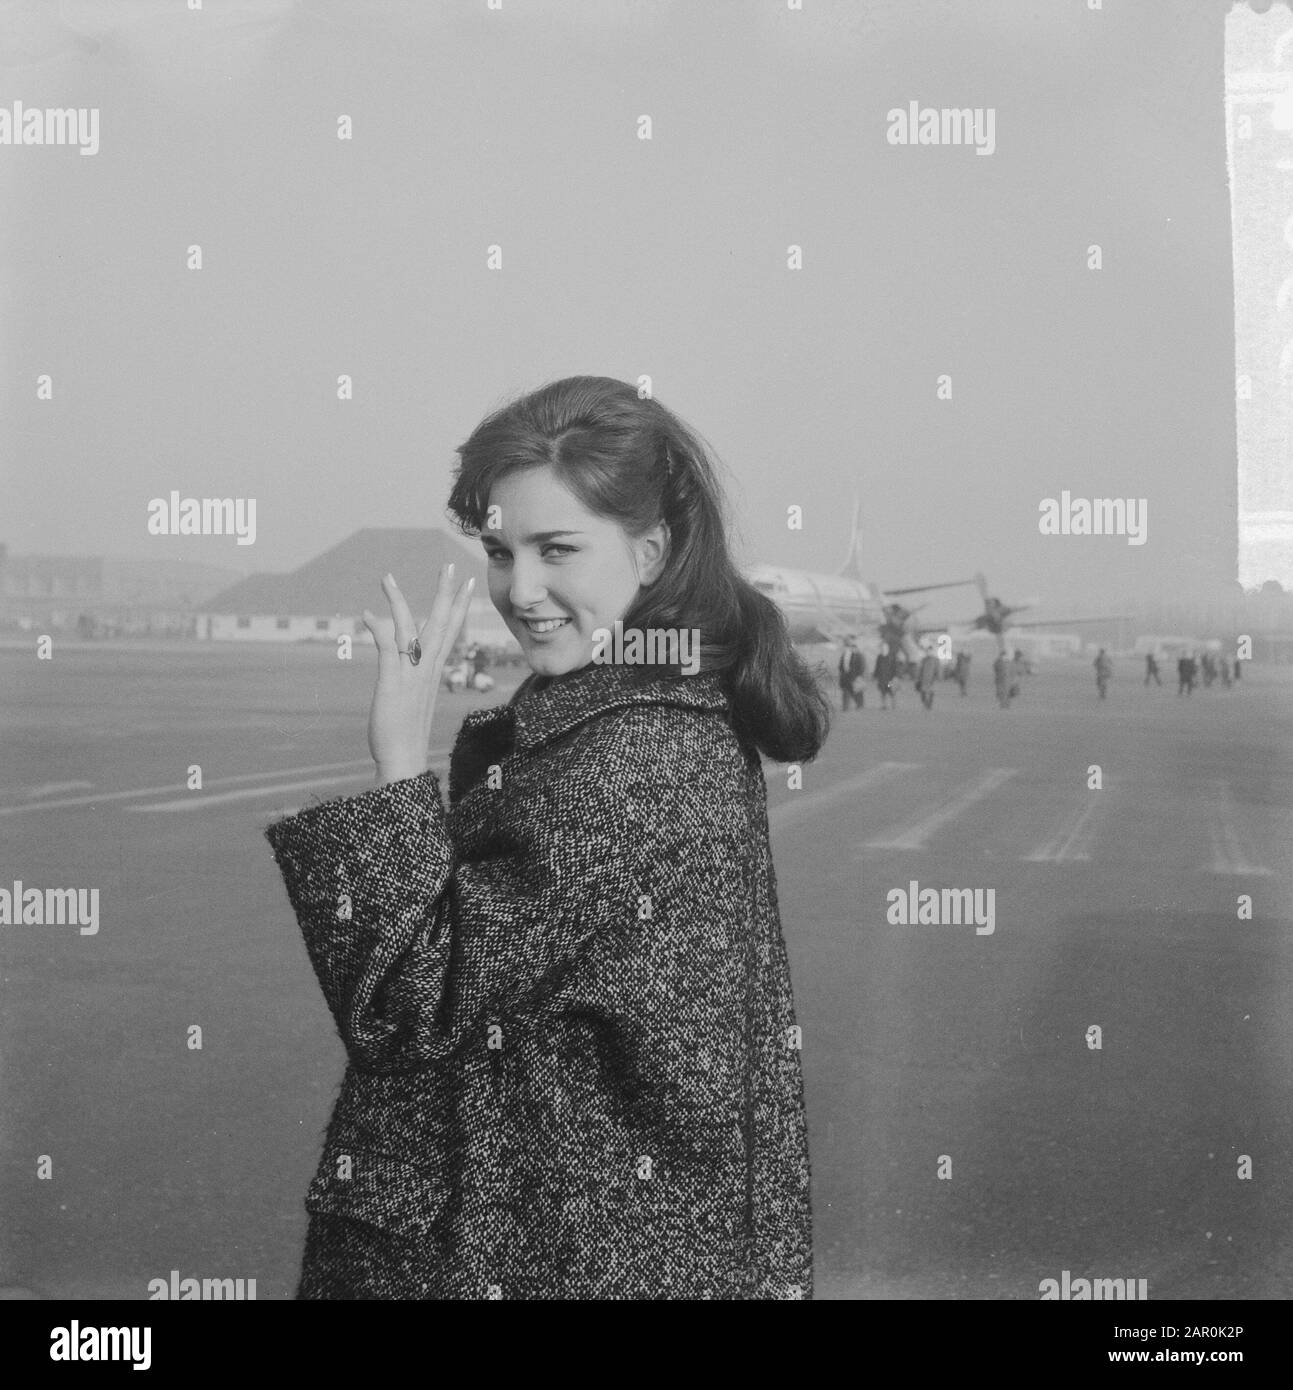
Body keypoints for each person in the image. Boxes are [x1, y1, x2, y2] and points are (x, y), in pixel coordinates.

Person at [263, 375, 827, 1300]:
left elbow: (409, 1005)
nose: (518, 591)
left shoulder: (631, 755)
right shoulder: (647, 716)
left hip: (537, 1250)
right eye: (498, 552)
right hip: (580, 1239)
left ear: (650, 553)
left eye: (556, 549)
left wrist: (399, 756)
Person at [838, 635, 865, 711]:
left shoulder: (857, 654)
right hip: (845, 676)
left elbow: (861, 665)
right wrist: (842, 671)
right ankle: (845, 707)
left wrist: (859, 675)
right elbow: (841, 665)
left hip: (854, 676)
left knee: (856, 691)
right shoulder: (844, 654)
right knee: (845, 691)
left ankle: (860, 705)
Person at [874, 643, 897, 709]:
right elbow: (877, 667)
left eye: (885, 648)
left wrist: (894, 676)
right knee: (882, 692)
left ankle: (893, 704)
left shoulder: (891, 657)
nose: (883, 649)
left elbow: (894, 668)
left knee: (891, 691)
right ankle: (884, 705)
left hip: (890, 680)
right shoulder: (879, 657)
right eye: (882, 648)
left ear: (888, 649)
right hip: (881, 679)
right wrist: (875, 675)